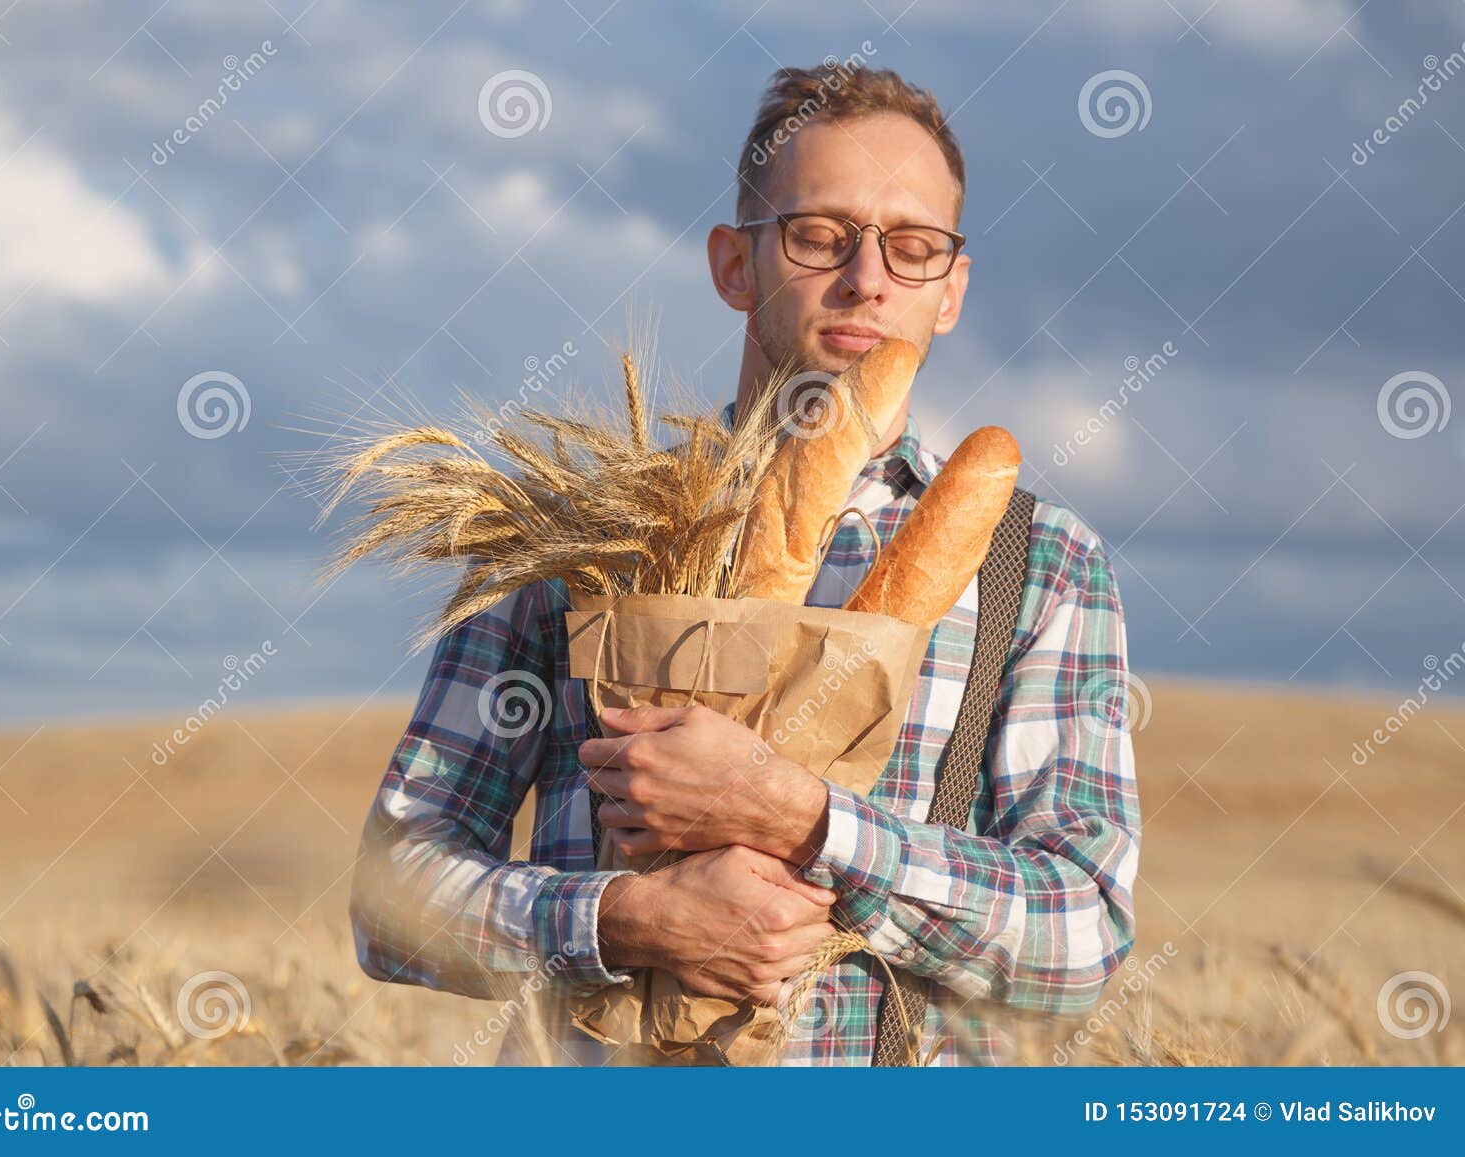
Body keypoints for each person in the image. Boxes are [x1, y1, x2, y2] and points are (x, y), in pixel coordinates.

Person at [349, 63, 1141, 1066]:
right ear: (734, 264)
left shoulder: (1037, 562)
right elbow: (391, 896)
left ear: (950, 289)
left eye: (913, 247)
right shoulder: (581, 532)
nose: (867, 277)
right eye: (818, 234)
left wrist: (805, 819)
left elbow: (1083, 934)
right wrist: (623, 918)